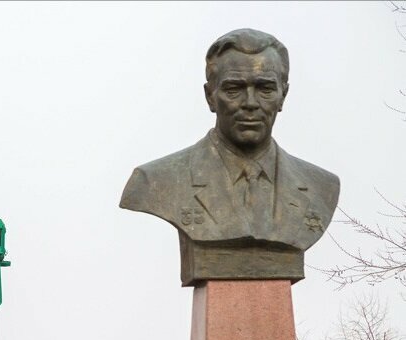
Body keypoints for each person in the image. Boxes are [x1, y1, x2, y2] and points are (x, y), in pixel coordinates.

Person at [119, 28, 340, 285]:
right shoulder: (155, 180)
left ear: (283, 95)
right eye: (234, 89)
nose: (250, 103)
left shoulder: (322, 187)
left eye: (265, 89)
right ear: (210, 96)